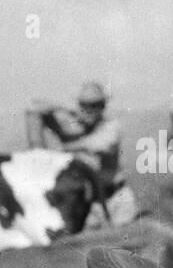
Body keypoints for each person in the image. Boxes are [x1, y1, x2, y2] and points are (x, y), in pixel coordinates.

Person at [31, 81, 139, 228]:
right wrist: (67, 108)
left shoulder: (111, 126)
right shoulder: (78, 128)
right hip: (92, 204)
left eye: (95, 105)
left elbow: (99, 145)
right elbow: (34, 107)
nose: (89, 110)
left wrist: (64, 148)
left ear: (103, 106)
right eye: (85, 105)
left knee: (123, 240)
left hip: (117, 200)